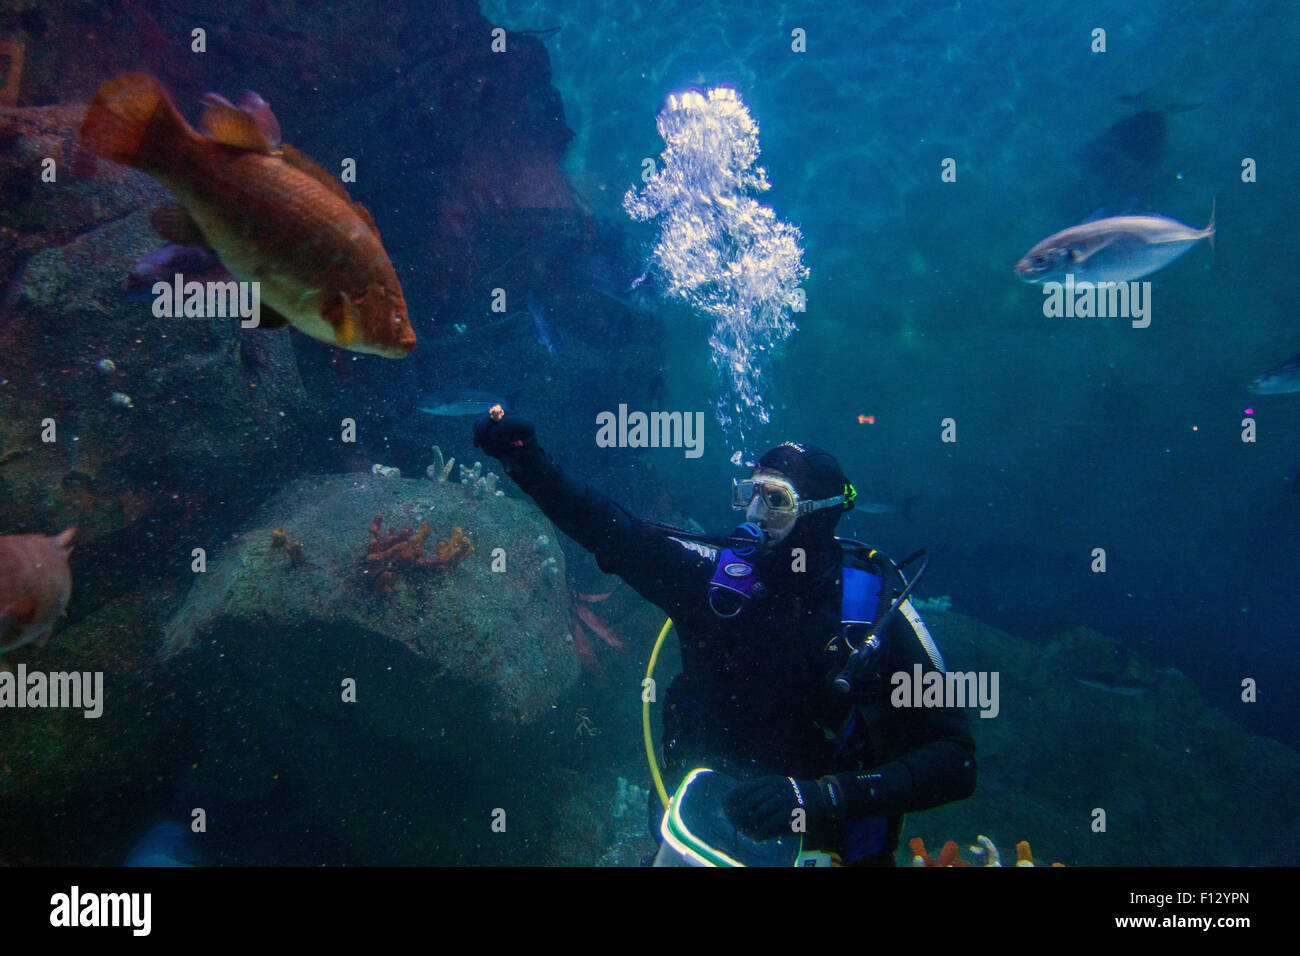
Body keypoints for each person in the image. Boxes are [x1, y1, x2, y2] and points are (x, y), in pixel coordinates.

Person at [474, 413, 976, 866]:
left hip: (829, 848)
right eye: (750, 494)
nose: (754, 515)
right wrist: (528, 463)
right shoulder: (712, 580)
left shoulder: (876, 612)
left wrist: (821, 797)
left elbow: (956, 759)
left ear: (820, 515)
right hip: (701, 834)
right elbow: (615, 532)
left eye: (776, 501)